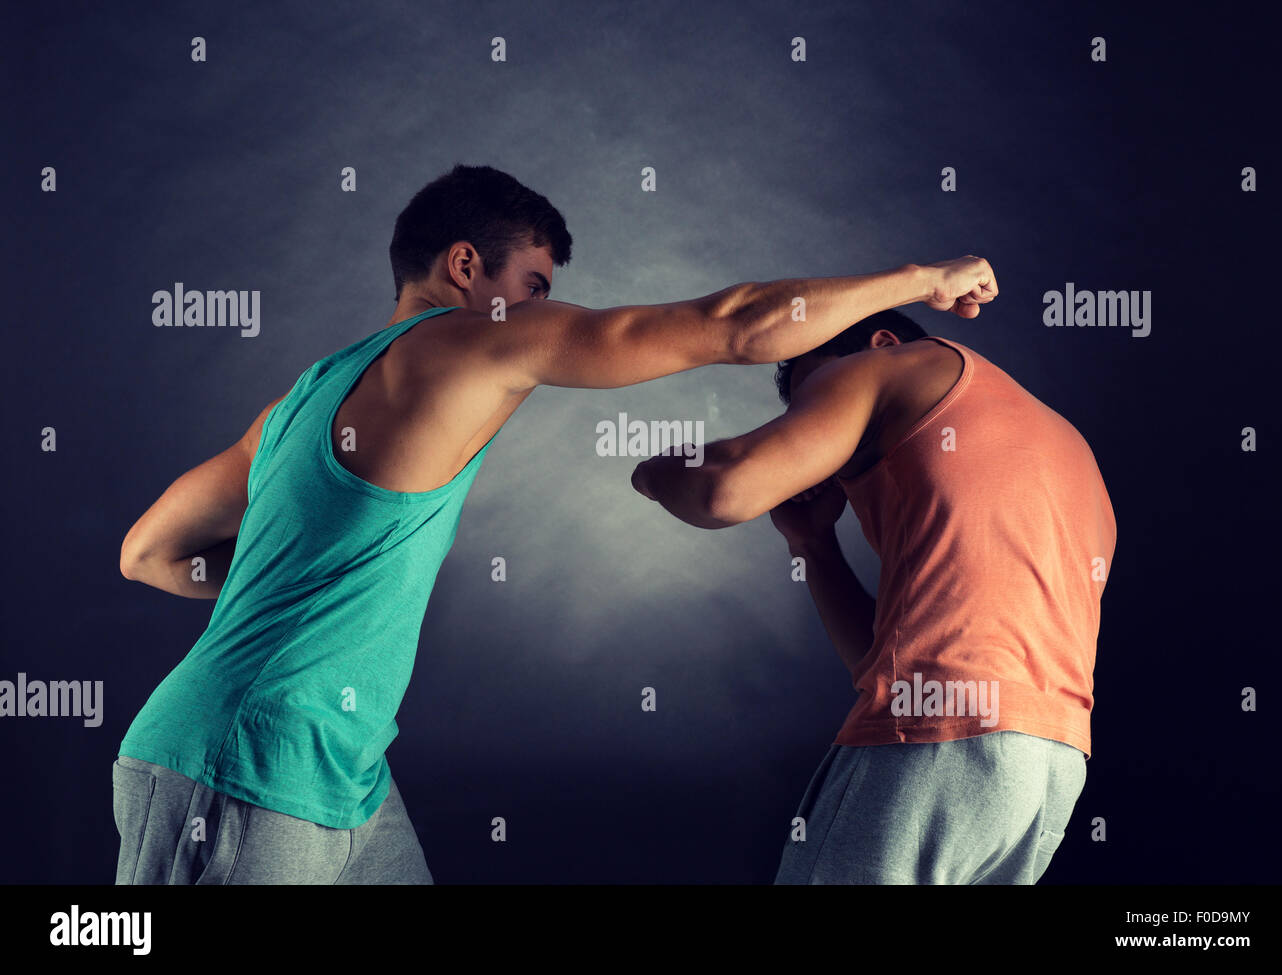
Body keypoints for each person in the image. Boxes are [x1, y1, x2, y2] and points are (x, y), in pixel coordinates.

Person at [115, 161, 997, 884]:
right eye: (533, 286)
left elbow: (151, 552)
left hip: (343, 772)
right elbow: (729, 326)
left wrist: (294, 586)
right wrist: (922, 281)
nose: (542, 309)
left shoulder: (297, 402)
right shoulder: (470, 341)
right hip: (241, 767)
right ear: (466, 268)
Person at [631, 305, 1115, 884]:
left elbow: (722, 491)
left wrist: (652, 473)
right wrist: (813, 544)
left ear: (881, 343)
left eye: (815, 403)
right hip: (1048, 762)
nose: (815, 440)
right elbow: (882, 659)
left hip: (937, 740)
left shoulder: (894, 365)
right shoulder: (1065, 445)